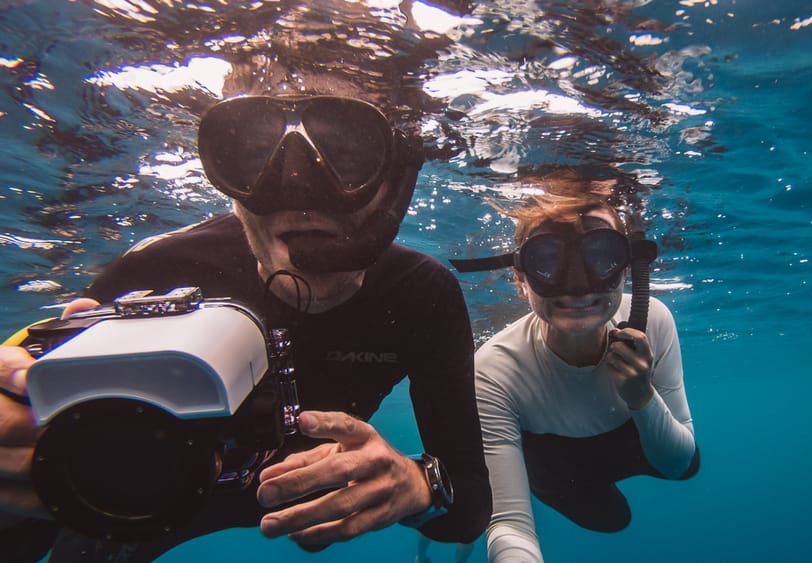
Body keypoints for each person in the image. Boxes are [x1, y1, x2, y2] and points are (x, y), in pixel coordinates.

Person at [0, 5, 490, 561]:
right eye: (252, 150)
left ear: (400, 171)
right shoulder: (157, 268)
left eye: (347, 149)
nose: (296, 186)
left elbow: (470, 507)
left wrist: (418, 486)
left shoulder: (422, 294)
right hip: (142, 501)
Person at [451, 171, 700, 562]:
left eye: (600, 257)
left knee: (685, 466)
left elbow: (677, 464)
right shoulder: (495, 370)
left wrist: (642, 395)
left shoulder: (653, 319)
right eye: (547, 261)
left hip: (629, 435)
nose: (578, 285)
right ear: (520, 278)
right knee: (611, 519)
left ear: (626, 265)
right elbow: (512, 525)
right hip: (558, 467)